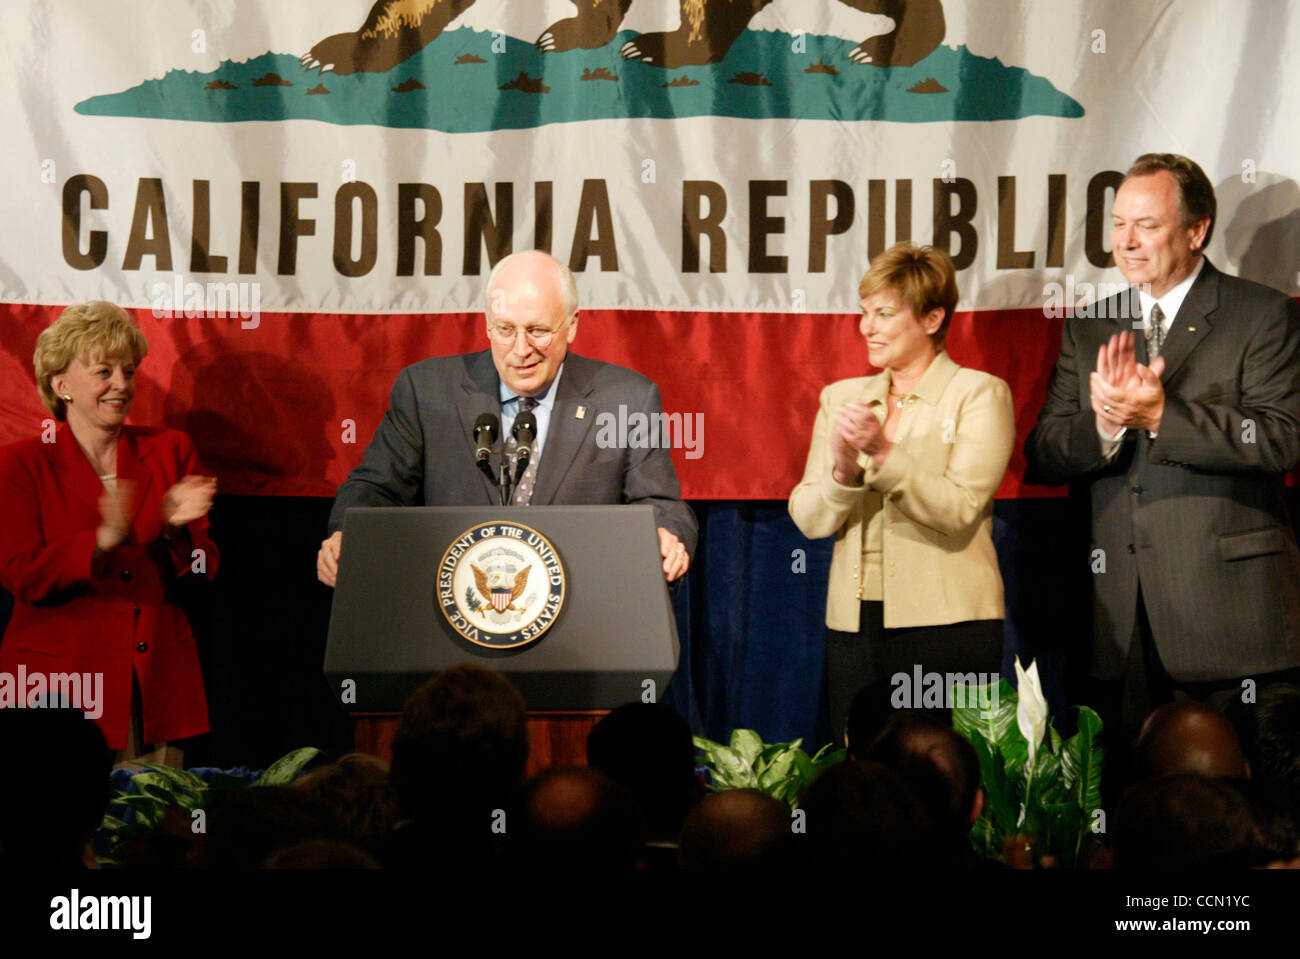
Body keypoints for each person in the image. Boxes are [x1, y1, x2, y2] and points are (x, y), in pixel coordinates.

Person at [1024, 153, 1300, 738]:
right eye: (1119, 224)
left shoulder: (1262, 314)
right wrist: (1103, 424)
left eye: (1147, 225)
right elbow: (1044, 454)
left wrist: (1161, 415)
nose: (1127, 241)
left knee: (1240, 810)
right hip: (1119, 622)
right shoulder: (1091, 325)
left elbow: (1281, 439)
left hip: (1229, 621)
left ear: (1197, 231)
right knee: (1134, 812)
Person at [317, 249, 697, 586]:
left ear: (573, 324)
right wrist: (348, 533)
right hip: (451, 609)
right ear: (487, 324)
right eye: (505, 330)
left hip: (581, 610)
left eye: (537, 331)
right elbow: (376, 488)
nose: (521, 350)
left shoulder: (627, 400)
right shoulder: (427, 391)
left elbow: (660, 503)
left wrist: (664, 535)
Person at [788, 242, 1015, 743]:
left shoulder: (978, 394)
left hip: (948, 623)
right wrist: (843, 472)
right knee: (861, 768)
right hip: (854, 623)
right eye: (864, 313)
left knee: (934, 768)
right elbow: (810, 518)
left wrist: (885, 455)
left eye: (885, 314)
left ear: (933, 319)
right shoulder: (842, 398)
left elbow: (958, 508)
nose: (867, 327)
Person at [0, 302, 218, 760]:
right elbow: (21, 575)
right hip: (57, 694)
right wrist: (99, 541)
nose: (122, 384)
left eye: (128, 371)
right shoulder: (21, 463)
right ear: (62, 386)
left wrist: (177, 533)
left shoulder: (170, 451)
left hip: (155, 688)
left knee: (155, 823)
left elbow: (205, 570)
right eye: (104, 371)